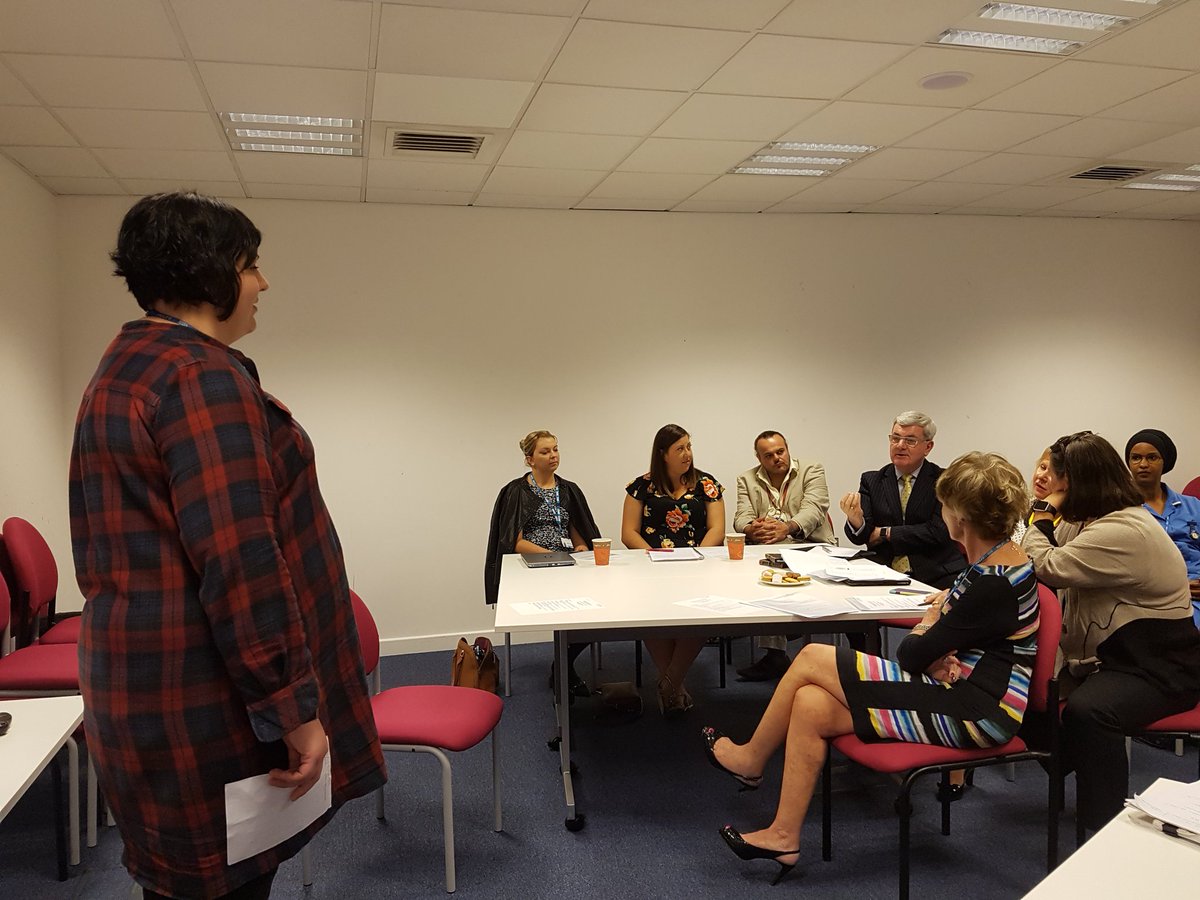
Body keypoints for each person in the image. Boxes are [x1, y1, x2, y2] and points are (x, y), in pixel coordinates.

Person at [69, 192, 385, 900]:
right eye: (250, 266)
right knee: (228, 888)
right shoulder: (200, 377)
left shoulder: (132, 360)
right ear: (209, 272)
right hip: (208, 698)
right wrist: (294, 711)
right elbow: (241, 562)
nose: (263, 283)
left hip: (148, 684)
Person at [703, 451, 1039, 882]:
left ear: (960, 516)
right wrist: (941, 631)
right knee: (810, 703)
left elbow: (912, 654)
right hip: (962, 688)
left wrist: (931, 623)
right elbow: (954, 635)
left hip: (979, 711)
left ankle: (752, 759)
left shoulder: (991, 581)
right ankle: (783, 836)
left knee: (812, 657)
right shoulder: (995, 561)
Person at [1022, 431, 1200, 833]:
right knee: (1022, 693)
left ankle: (1104, 825)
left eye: (1058, 479)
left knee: (1090, 712)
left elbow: (1046, 565)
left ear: (1077, 483)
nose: (1051, 485)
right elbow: (1035, 554)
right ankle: (1069, 757)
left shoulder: (1123, 529)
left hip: (1160, 667)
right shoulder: (1090, 521)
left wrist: (1041, 512)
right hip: (1114, 656)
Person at [485, 430, 601, 694]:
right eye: (545, 451)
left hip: (567, 563)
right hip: (531, 566)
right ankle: (563, 671)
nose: (553, 456)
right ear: (530, 459)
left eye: (555, 449)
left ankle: (562, 664)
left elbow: (574, 526)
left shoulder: (569, 489)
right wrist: (551, 555)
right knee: (567, 608)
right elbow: (515, 542)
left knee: (596, 607)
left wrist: (581, 546)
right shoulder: (516, 491)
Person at [623, 424, 725, 715]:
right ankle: (675, 687)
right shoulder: (641, 486)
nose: (687, 453)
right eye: (679, 448)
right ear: (663, 454)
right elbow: (628, 532)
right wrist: (653, 557)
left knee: (702, 615)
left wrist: (697, 558)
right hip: (651, 567)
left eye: (689, 446)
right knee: (650, 616)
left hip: (698, 567)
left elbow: (717, 529)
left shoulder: (707, 484)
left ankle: (669, 683)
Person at [732, 430, 836, 681]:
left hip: (809, 546)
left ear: (788, 449)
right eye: (768, 455)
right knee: (764, 579)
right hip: (768, 550)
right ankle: (776, 654)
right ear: (759, 458)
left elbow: (815, 509)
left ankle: (786, 638)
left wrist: (786, 528)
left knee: (778, 575)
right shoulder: (746, 479)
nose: (777, 458)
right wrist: (752, 528)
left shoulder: (811, 470)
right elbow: (741, 516)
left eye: (780, 451)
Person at [839, 411, 967, 590]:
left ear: (928, 447)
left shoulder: (944, 480)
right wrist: (856, 521)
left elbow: (938, 532)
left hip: (936, 572)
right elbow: (862, 537)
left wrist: (884, 533)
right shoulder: (872, 480)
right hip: (883, 572)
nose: (900, 445)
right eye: (895, 438)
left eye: (910, 440)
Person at [1125, 428, 1200, 625]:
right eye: (1136, 458)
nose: (1143, 464)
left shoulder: (1193, 506)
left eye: (1152, 457)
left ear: (1164, 462)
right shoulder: (1120, 510)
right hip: (1151, 597)